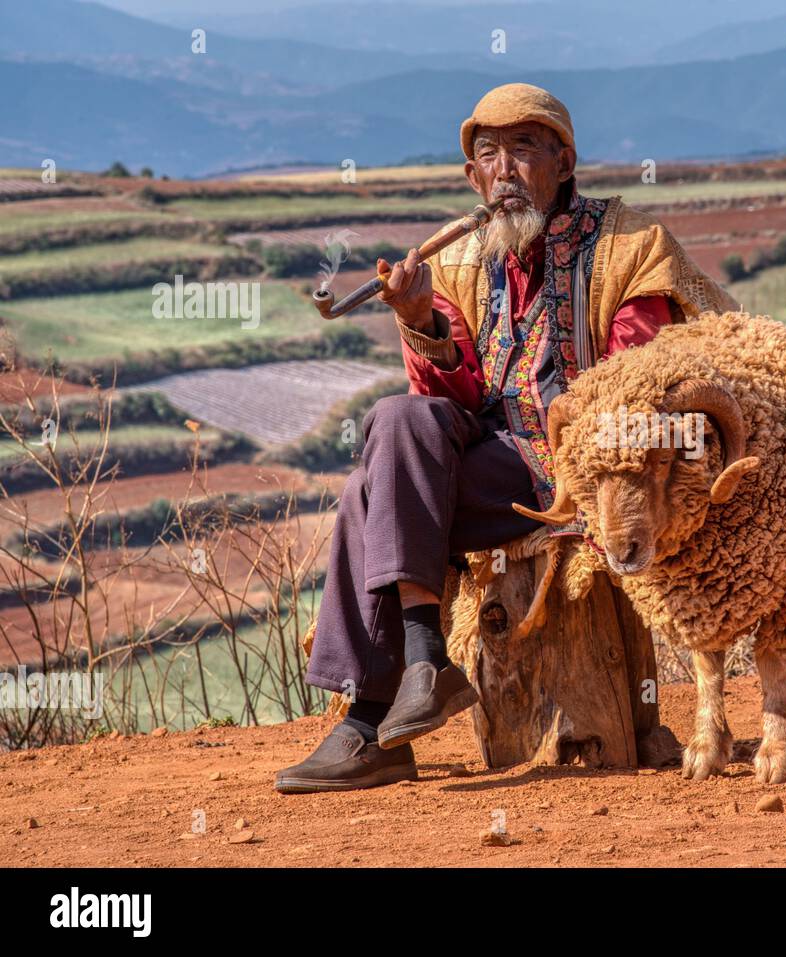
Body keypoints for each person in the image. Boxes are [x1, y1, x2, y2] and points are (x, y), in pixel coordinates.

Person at [275, 83, 736, 793]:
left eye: (524, 149)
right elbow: (445, 404)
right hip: (491, 464)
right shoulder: (460, 264)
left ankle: (368, 725)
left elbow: (642, 383)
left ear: (563, 160)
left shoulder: (630, 248)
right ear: (471, 178)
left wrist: (579, 442)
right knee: (397, 422)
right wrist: (423, 320)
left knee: (369, 495)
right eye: (488, 155)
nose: (505, 170)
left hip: (581, 474)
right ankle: (426, 660)